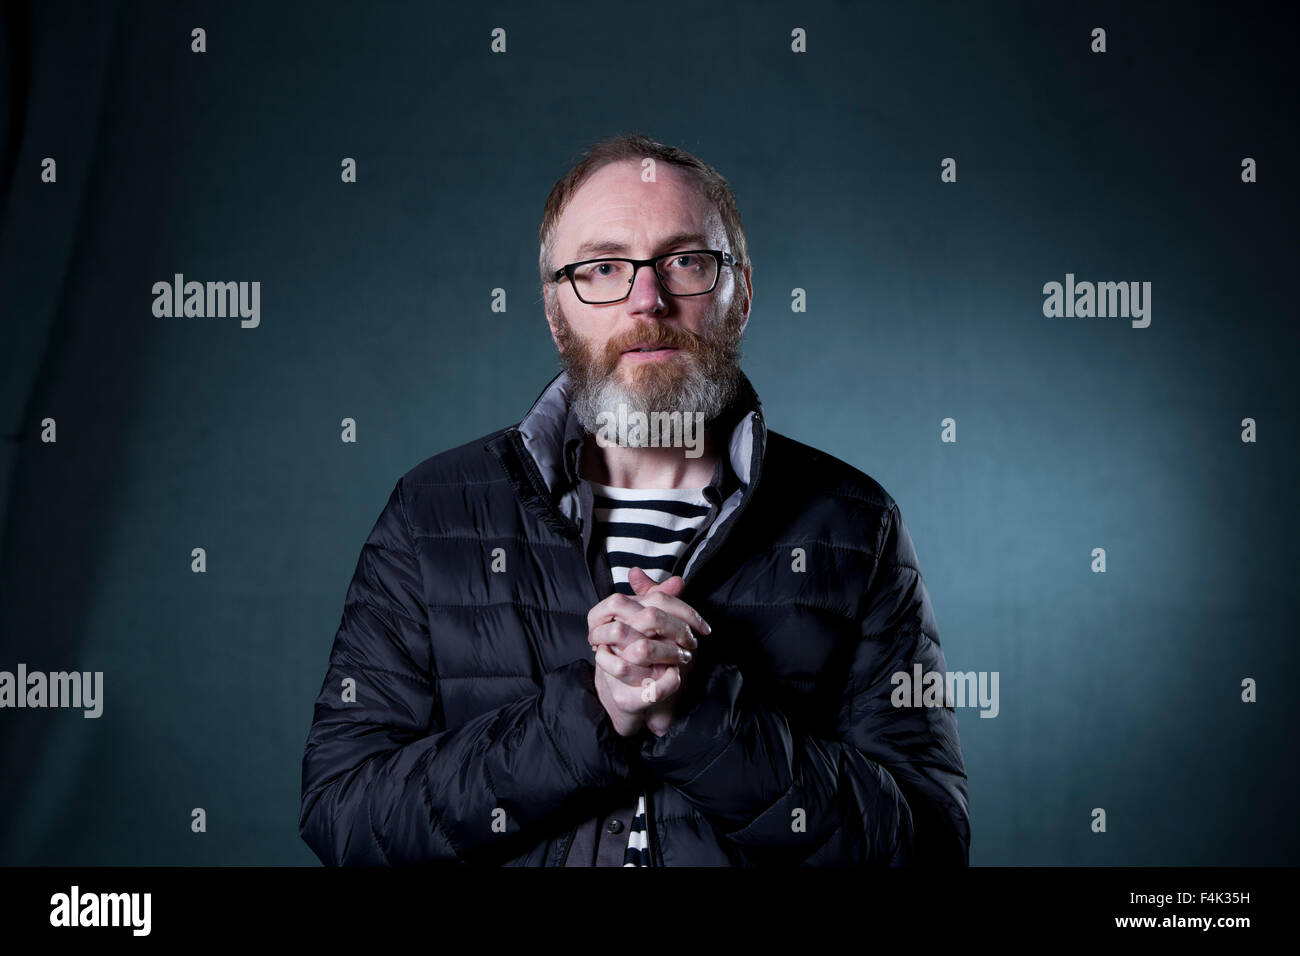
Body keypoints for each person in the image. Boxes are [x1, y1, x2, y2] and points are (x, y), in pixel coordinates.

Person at [298, 133, 970, 866]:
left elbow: (927, 844)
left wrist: (702, 718)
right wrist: (591, 714)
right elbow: (343, 813)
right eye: (604, 268)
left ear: (739, 295)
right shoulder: (432, 516)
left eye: (685, 261)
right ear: (557, 313)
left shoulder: (853, 523)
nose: (647, 300)